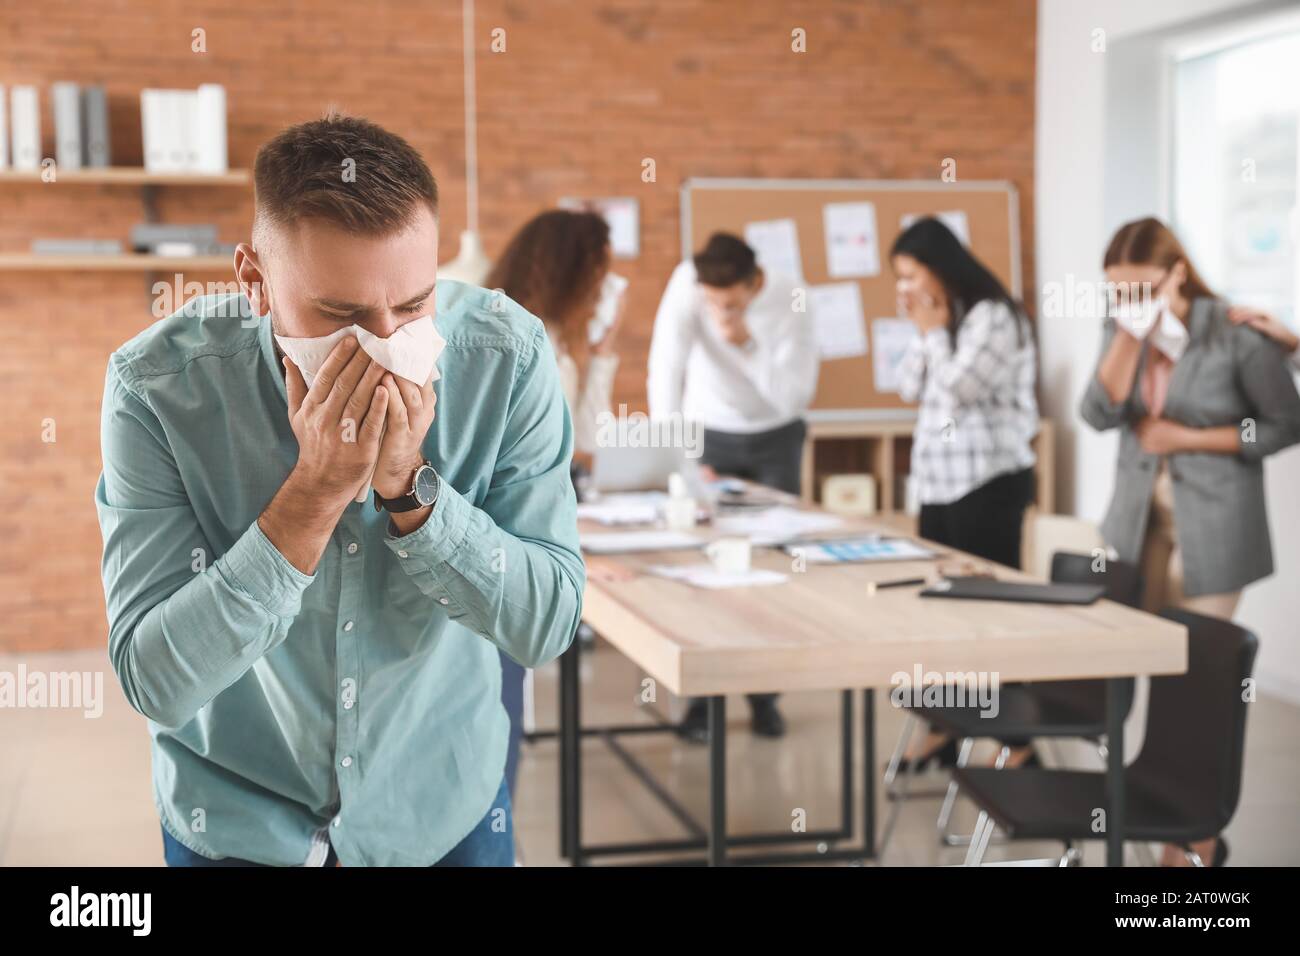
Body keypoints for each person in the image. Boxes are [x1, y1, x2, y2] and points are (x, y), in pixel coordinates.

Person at [95, 114, 585, 867]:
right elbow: (155, 678)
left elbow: (547, 624)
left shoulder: (507, 359)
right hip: (233, 816)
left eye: (414, 304)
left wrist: (410, 490)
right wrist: (313, 495)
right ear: (253, 282)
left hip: (440, 803)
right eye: (345, 316)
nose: (387, 343)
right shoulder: (158, 390)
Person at [1080, 216, 1300, 866]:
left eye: (1142, 288)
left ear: (1177, 272)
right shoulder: (1123, 328)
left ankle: (1193, 840)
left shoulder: (1232, 332)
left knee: (1199, 681)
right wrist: (1125, 336)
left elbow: (1285, 428)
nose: (1130, 302)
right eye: (1117, 291)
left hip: (1217, 528)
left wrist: (1190, 439)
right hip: (1136, 523)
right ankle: (1141, 806)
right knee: (1128, 663)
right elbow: (1096, 414)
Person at [647, 232, 819, 742]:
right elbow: (666, 368)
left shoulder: (792, 300)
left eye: (730, 301)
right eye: (712, 301)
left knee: (770, 567)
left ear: (753, 283)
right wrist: (676, 458)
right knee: (707, 566)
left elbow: (792, 396)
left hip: (774, 438)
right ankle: (703, 702)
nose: (718, 310)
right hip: (708, 436)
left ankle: (765, 696)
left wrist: (745, 343)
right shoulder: (688, 284)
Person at [482, 209, 627, 801]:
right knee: (491, 710)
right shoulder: (521, 341)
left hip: (510, 550)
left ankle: (496, 834)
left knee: (499, 709)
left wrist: (603, 355)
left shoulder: (554, 341)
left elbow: (582, 449)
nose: (601, 291)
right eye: (597, 276)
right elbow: (575, 451)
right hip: (498, 551)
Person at [891, 217, 1040, 771]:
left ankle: (1018, 741)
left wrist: (932, 332)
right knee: (944, 615)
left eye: (911, 275)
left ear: (941, 268)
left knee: (992, 614)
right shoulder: (941, 321)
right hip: (937, 485)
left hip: (988, 484)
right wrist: (925, 328)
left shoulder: (994, 318)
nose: (905, 288)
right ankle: (945, 727)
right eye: (899, 278)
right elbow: (907, 386)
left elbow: (959, 390)